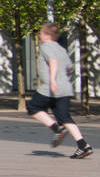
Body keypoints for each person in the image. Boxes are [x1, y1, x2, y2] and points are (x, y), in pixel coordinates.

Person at [28, 22, 92, 158]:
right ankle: (83, 146)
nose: (39, 35)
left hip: (51, 88)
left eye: (40, 33)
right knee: (64, 117)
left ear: (46, 35)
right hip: (65, 88)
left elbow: (53, 62)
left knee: (33, 107)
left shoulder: (46, 47)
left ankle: (57, 129)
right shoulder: (61, 49)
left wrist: (52, 80)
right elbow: (69, 67)